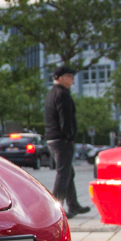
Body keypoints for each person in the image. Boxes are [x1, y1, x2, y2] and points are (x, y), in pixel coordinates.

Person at [44, 65, 89, 217]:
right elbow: (66, 119)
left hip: (53, 138)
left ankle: (73, 204)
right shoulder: (62, 94)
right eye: (70, 76)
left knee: (69, 172)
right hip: (61, 139)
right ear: (60, 78)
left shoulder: (51, 93)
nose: (73, 79)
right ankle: (56, 209)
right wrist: (69, 136)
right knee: (63, 173)